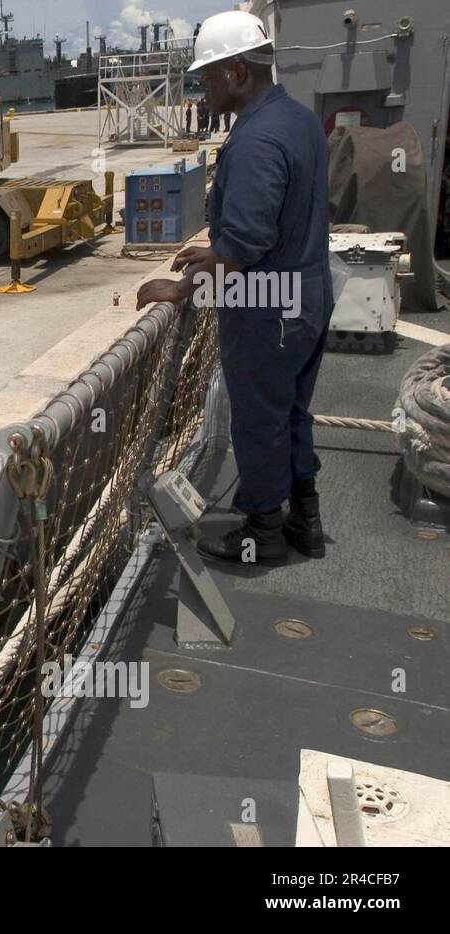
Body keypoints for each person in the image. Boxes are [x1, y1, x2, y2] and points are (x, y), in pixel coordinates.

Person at [136, 10, 333, 566]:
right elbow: (277, 220)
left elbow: (246, 243)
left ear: (240, 71)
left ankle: (262, 533)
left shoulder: (255, 141)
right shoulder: (296, 120)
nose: (204, 86)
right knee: (292, 411)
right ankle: (305, 520)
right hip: (308, 294)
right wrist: (217, 252)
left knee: (260, 419)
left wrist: (181, 290)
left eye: (210, 75)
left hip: (269, 309)